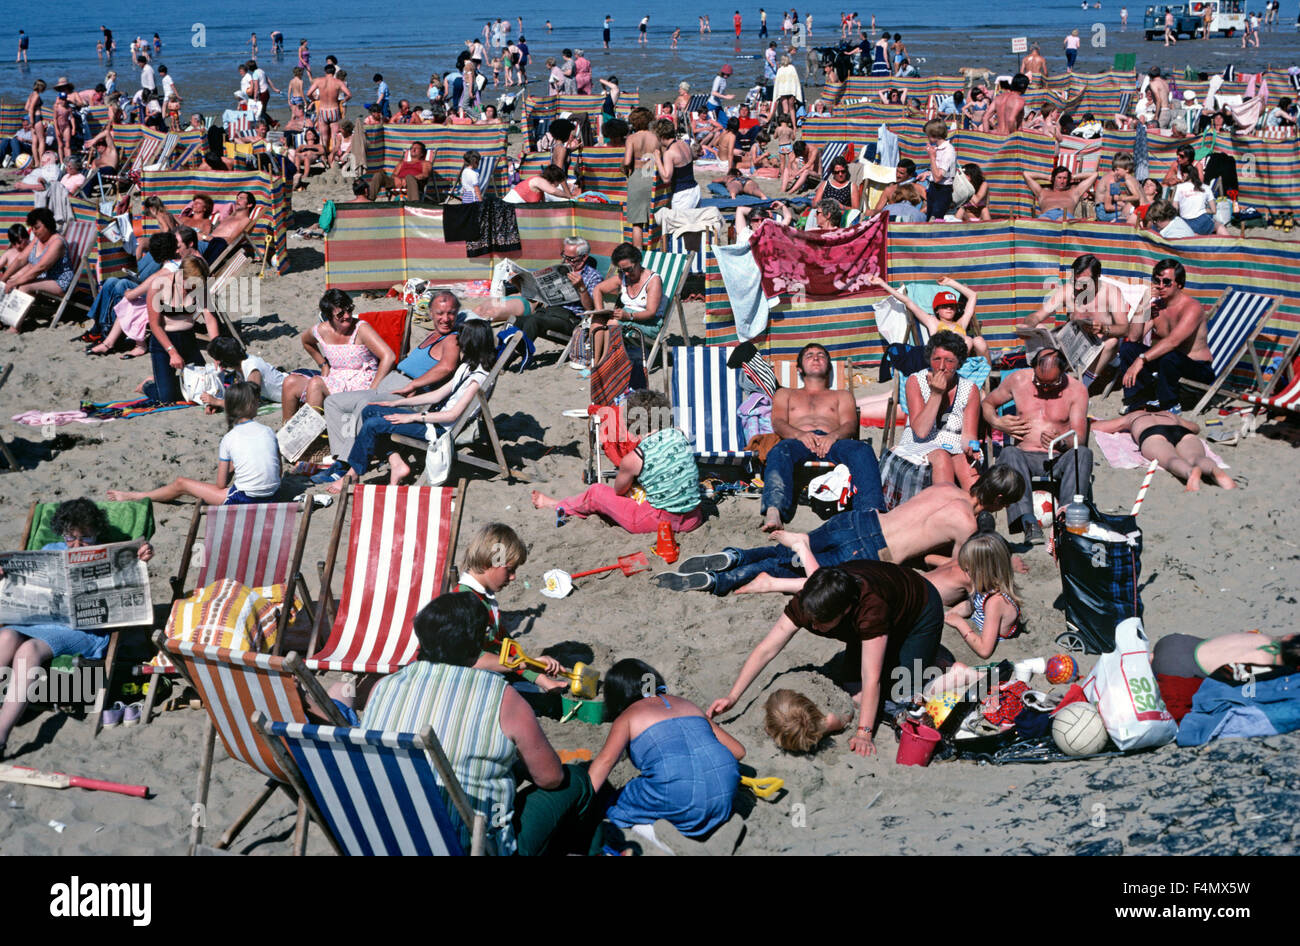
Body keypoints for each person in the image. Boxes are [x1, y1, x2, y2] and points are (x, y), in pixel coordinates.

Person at [360, 593, 600, 856]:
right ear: (478, 644)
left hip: (388, 840)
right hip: (469, 847)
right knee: (576, 781)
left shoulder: (382, 688)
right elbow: (551, 778)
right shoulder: (501, 697)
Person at [656, 466, 1024, 595]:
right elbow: (951, 570)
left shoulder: (945, 488)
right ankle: (718, 582)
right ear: (999, 498)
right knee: (791, 569)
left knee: (791, 550)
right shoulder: (968, 524)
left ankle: (734, 555)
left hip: (863, 519)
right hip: (872, 551)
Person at [708, 559, 945, 757]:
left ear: (844, 612)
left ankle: (945, 663)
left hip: (919, 612)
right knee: (854, 691)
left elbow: (871, 677)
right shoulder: (810, 603)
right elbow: (767, 649)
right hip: (875, 616)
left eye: (821, 623)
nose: (814, 626)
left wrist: (864, 732)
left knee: (900, 692)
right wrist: (733, 695)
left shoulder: (870, 610)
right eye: (811, 621)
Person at [0, 499, 155, 758]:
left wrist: (142, 557)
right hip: (39, 621)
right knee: (5, 636)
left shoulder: (108, 553)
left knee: (28, 650)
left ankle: (2, 733)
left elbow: (132, 578)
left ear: (97, 533)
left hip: (84, 629)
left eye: (85, 538)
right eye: (70, 538)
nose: (76, 544)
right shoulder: (51, 549)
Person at [326, 318, 494, 492]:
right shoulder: (467, 368)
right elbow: (437, 395)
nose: (459, 343)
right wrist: (399, 402)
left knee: (374, 424)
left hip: (440, 430)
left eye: (462, 340)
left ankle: (353, 473)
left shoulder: (479, 379)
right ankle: (397, 463)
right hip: (432, 419)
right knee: (370, 410)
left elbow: (452, 415)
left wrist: (411, 417)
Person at [591, 658, 745, 841]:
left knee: (617, 806)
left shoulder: (628, 716)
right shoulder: (689, 705)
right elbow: (738, 751)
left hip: (676, 792)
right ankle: (715, 831)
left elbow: (605, 761)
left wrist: (580, 799)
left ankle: (665, 839)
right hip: (724, 794)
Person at [316, 292, 463, 481]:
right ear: (431, 313)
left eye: (450, 313)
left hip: (408, 394)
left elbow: (447, 366)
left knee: (364, 405)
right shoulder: (433, 335)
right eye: (440, 313)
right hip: (391, 383)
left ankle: (346, 465)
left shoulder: (452, 339)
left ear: (457, 313)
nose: (445, 319)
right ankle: (340, 457)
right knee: (333, 402)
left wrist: (414, 384)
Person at [531, 389, 705, 534]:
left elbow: (619, 490)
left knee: (596, 493)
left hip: (659, 523)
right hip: (694, 518)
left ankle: (556, 505)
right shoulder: (680, 434)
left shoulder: (634, 459)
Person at [756, 343, 884, 530]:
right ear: (799, 368)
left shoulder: (842, 395)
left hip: (834, 441)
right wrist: (800, 435)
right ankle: (774, 510)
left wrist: (832, 436)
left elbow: (850, 424)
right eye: (809, 355)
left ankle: (871, 510)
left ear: (829, 366)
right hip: (796, 441)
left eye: (821, 355)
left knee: (862, 449)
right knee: (778, 451)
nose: (816, 358)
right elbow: (779, 422)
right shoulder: (785, 393)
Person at [981, 348, 1092, 543]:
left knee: (1082, 453)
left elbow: (1079, 437)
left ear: (1063, 372)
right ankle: (1028, 522)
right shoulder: (1018, 381)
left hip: (1057, 457)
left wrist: (1063, 442)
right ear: (1033, 369)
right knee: (1008, 452)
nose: (1046, 389)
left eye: (1052, 384)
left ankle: (1066, 521)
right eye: (1040, 383)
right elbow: (987, 405)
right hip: (1024, 455)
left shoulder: (1076, 390)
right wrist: (997, 422)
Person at [109, 383, 280, 506]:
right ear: (251, 405)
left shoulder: (229, 438)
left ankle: (138, 496)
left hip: (246, 499)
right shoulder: (268, 431)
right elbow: (278, 472)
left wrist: (233, 468)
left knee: (181, 483)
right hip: (273, 495)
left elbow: (220, 485)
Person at [456, 523, 566, 691]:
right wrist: (522, 663)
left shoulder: (484, 599)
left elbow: (506, 648)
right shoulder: (465, 603)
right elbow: (472, 659)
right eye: (509, 570)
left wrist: (543, 680)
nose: (513, 577)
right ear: (488, 563)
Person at [880, 333, 982, 504]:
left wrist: (972, 447)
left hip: (953, 442)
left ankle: (979, 512)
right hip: (919, 445)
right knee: (942, 457)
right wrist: (936, 395)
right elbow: (920, 431)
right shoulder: (915, 381)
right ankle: (947, 509)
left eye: (949, 361)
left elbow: (969, 435)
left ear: (958, 363)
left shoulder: (969, 389)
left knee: (967, 464)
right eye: (936, 359)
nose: (941, 366)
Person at [1018, 253, 1136, 387]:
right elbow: (1038, 316)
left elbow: (1125, 329)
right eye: (1075, 281)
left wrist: (1104, 329)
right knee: (1038, 328)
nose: (1078, 288)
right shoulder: (1068, 291)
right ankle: (1043, 376)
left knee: (1112, 341)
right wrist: (1027, 326)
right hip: (1071, 348)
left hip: (1098, 350)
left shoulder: (1111, 293)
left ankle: (1082, 387)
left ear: (1097, 279)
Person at [1116, 259, 1214, 413]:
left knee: (1170, 356)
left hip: (1197, 369)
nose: (1160, 286)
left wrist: (1141, 359)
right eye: (1157, 281)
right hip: (1169, 365)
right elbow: (1134, 337)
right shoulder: (1156, 308)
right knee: (1128, 348)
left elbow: (1173, 342)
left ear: (1179, 284)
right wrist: (1143, 302)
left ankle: (1170, 405)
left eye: (1167, 282)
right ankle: (1139, 400)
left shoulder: (1191, 308)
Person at [1152, 630, 1300, 722]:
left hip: (1176, 641)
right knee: (1180, 711)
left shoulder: (1263, 637)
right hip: (1175, 666)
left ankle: (1151, 660)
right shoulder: (1264, 664)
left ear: (1289, 637)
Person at [300, 289, 395, 421]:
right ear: (329, 317)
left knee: (316, 383)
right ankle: (285, 437)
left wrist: (372, 390)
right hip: (336, 379)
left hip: (361, 384)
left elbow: (389, 356)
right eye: (340, 314)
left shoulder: (361, 329)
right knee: (290, 382)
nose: (347, 316)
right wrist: (323, 365)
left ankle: (308, 434)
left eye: (349, 310)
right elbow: (306, 341)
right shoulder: (321, 330)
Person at [1093, 409, 1234, 490]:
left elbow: (1102, 427)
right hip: (1180, 431)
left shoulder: (1134, 415)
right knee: (1197, 457)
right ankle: (1213, 470)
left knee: (1171, 459)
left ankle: (1190, 472)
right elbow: (1195, 428)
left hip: (1153, 432)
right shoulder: (1169, 414)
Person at [203, 336, 320, 423]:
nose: (217, 363)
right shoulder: (242, 366)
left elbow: (247, 403)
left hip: (301, 384)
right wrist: (219, 405)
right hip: (293, 380)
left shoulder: (252, 368)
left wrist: (216, 401)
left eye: (217, 359)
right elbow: (240, 394)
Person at [943, 532, 1022, 658]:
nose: (965, 573)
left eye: (968, 570)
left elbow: (985, 650)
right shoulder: (986, 589)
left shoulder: (996, 602)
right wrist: (949, 615)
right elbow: (970, 605)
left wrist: (960, 624)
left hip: (994, 648)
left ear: (984, 571)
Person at [1, 209, 73, 332]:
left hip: (59, 281)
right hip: (45, 278)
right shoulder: (37, 240)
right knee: (10, 283)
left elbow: (40, 268)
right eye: (32, 228)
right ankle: (4, 319)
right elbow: (20, 260)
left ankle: (15, 327)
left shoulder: (57, 242)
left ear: (48, 224)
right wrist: (4, 279)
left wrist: (15, 282)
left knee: (24, 286)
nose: (34, 231)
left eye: (37, 227)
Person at [763, 689, 850, 752]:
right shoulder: (827, 723)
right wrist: (863, 729)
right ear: (811, 706)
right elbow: (848, 712)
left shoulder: (775, 732)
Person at [623, 108, 658, 248]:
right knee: (654, 219)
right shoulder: (656, 137)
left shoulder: (631, 139)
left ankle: (638, 253)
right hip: (652, 175)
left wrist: (626, 170)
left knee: (637, 222)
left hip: (637, 176)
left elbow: (626, 162)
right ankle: (654, 251)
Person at [653, 118, 700, 211]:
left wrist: (657, 159)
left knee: (679, 224)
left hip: (683, 194)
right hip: (695, 189)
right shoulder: (683, 143)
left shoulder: (669, 153)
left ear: (661, 136)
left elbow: (666, 178)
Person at [1022, 165, 1098, 221]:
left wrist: (1073, 177)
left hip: (1065, 215)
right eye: (1059, 178)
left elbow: (1094, 175)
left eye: (1065, 178)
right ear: (1053, 178)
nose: (1062, 181)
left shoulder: (1074, 192)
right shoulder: (1042, 192)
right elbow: (1026, 174)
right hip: (1047, 215)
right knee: (1043, 221)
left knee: (1061, 220)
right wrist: (1047, 177)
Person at [366, 140, 432, 201]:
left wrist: (408, 179)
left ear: (422, 153)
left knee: (409, 177)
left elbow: (425, 175)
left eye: (416, 148)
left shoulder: (425, 163)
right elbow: (393, 175)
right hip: (398, 183)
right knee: (378, 175)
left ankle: (414, 204)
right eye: (412, 148)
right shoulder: (402, 163)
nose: (413, 149)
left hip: (414, 183)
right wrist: (396, 178)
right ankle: (370, 200)